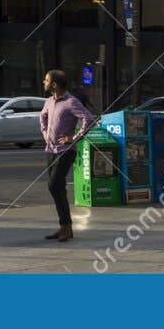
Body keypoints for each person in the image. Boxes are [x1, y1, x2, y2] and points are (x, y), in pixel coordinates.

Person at [38, 69, 96, 242]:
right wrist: (45, 135)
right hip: (50, 150)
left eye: (46, 80)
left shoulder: (71, 102)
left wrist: (74, 138)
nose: (44, 82)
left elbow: (89, 119)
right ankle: (65, 228)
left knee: (53, 184)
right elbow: (42, 118)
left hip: (66, 151)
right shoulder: (48, 101)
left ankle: (66, 226)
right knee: (58, 189)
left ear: (54, 84)